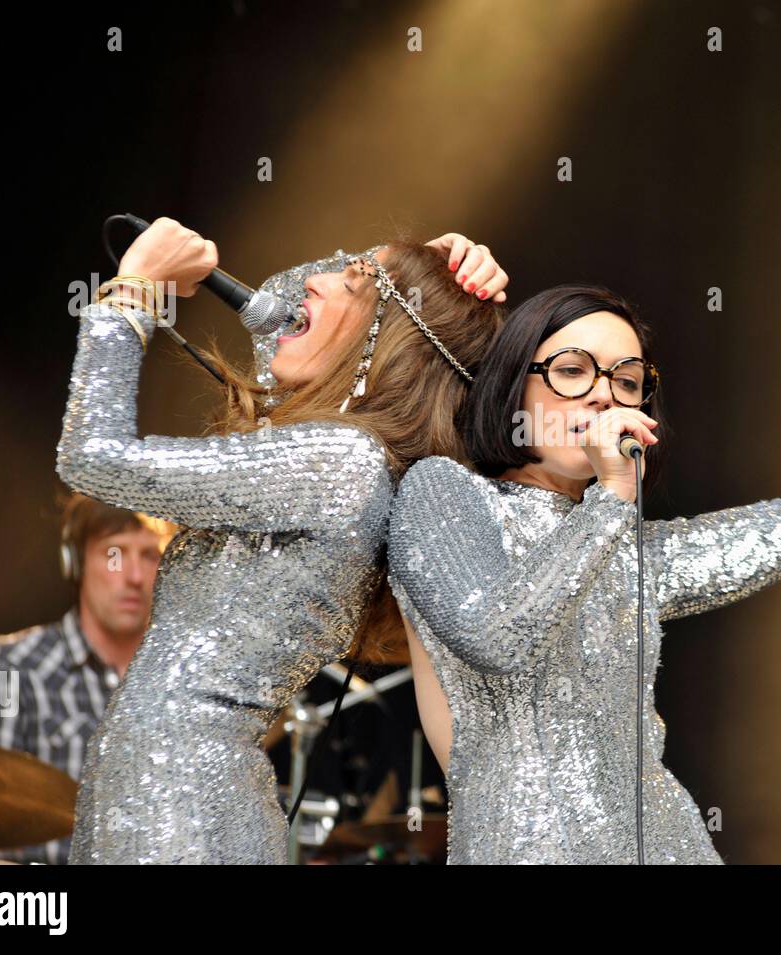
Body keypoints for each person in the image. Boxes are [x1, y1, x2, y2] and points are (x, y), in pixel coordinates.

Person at [386, 252, 781, 863]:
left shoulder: (631, 551)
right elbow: (495, 637)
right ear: (512, 384)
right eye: (573, 371)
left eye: (627, 381)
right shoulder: (443, 493)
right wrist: (612, 499)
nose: (604, 397)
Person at [57, 217, 506, 863]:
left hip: (180, 797)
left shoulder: (343, 462)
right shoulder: (341, 451)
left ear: (388, 341)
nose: (314, 280)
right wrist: (420, 259)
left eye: (351, 279)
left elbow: (93, 456)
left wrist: (133, 293)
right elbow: (282, 310)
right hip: (159, 780)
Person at [0, 492, 174, 864]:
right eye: (115, 553)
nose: (135, 576)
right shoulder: (12, 665)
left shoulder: (180, 682)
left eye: (150, 555)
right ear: (75, 563)